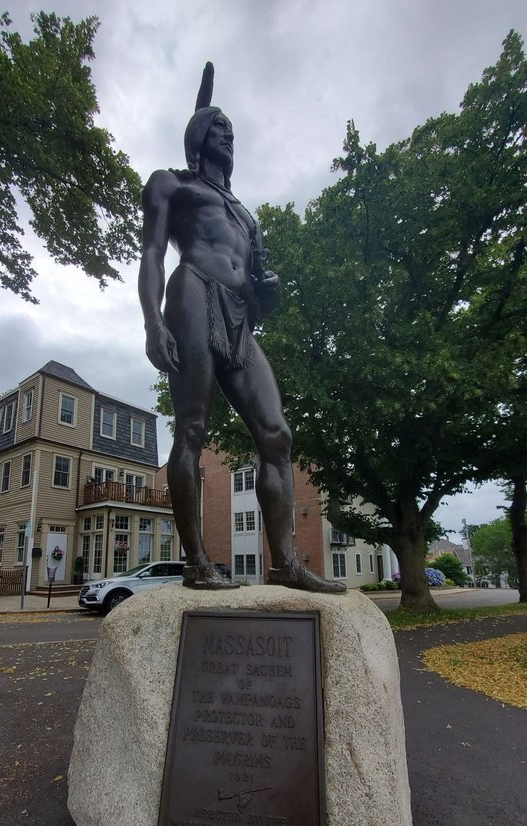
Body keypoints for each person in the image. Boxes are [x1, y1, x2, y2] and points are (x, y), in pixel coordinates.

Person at [138, 63, 345, 594]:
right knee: (191, 429)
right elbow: (153, 254)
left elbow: (255, 297)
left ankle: (285, 564)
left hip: (238, 316)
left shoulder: (247, 217)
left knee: (276, 435)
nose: (228, 134)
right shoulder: (172, 184)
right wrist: (152, 320)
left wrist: (266, 297)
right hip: (191, 292)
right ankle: (196, 563)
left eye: (231, 128)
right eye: (218, 126)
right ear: (197, 137)